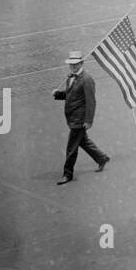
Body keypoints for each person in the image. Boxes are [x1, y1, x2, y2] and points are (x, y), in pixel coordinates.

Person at [54, 51, 109, 185]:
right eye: (71, 64)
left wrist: (88, 120)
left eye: (76, 64)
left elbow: (91, 101)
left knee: (71, 148)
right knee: (83, 141)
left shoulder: (87, 79)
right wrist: (58, 94)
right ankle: (101, 158)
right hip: (72, 117)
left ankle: (68, 174)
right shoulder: (71, 77)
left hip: (79, 119)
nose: (73, 66)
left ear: (81, 63)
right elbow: (71, 95)